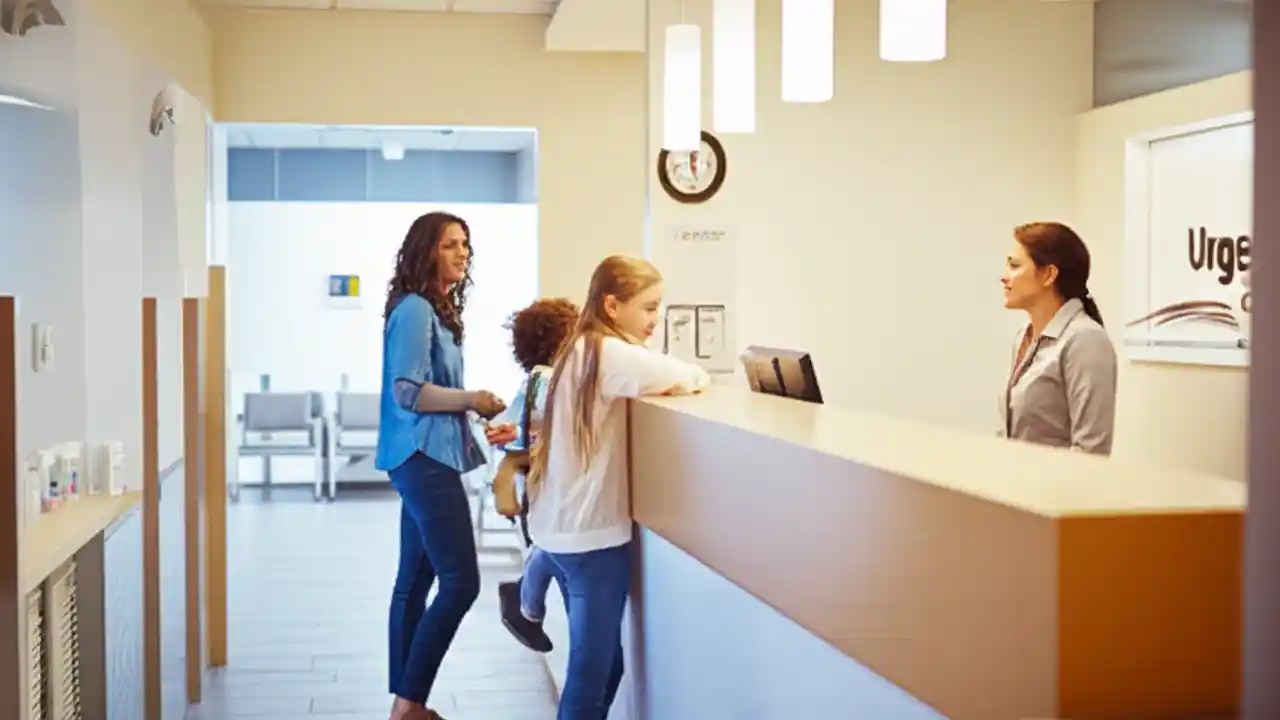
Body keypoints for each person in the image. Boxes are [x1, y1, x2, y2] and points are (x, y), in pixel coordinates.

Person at [526, 255, 710, 720]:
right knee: (592, 676)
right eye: (649, 308)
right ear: (612, 305)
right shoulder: (607, 353)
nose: (655, 319)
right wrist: (690, 376)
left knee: (606, 667)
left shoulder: (581, 349)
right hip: (592, 542)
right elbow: (687, 375)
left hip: (567, 533)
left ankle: (527, 592)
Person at [375, 211, 517, 720]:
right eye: (450, 245)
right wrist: (472, 398)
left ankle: (406, 702)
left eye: (465, 245)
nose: (462, 253)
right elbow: (408, 392)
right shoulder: (415, 310)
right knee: (461, 582)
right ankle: (408, 703)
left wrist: (478, 413)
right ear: (426, 251)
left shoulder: (434, 309)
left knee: (414, 582)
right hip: (422, 459)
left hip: (422, 456)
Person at [493, 298, 580, 654]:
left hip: (534, 485)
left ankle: (528, 607)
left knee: (547, 549)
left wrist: (511, 436)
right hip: (547, 485)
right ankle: (525, 605)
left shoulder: (533, 381)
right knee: (550, 548)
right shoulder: (550, 381)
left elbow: (507, 428)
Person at [999, 221, 1118, 455]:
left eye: (1014, 265)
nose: (1004, 277)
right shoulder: (1022, 336)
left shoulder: (1086, 340)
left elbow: (1091, 451)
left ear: (1049, 275)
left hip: (1057, 490)